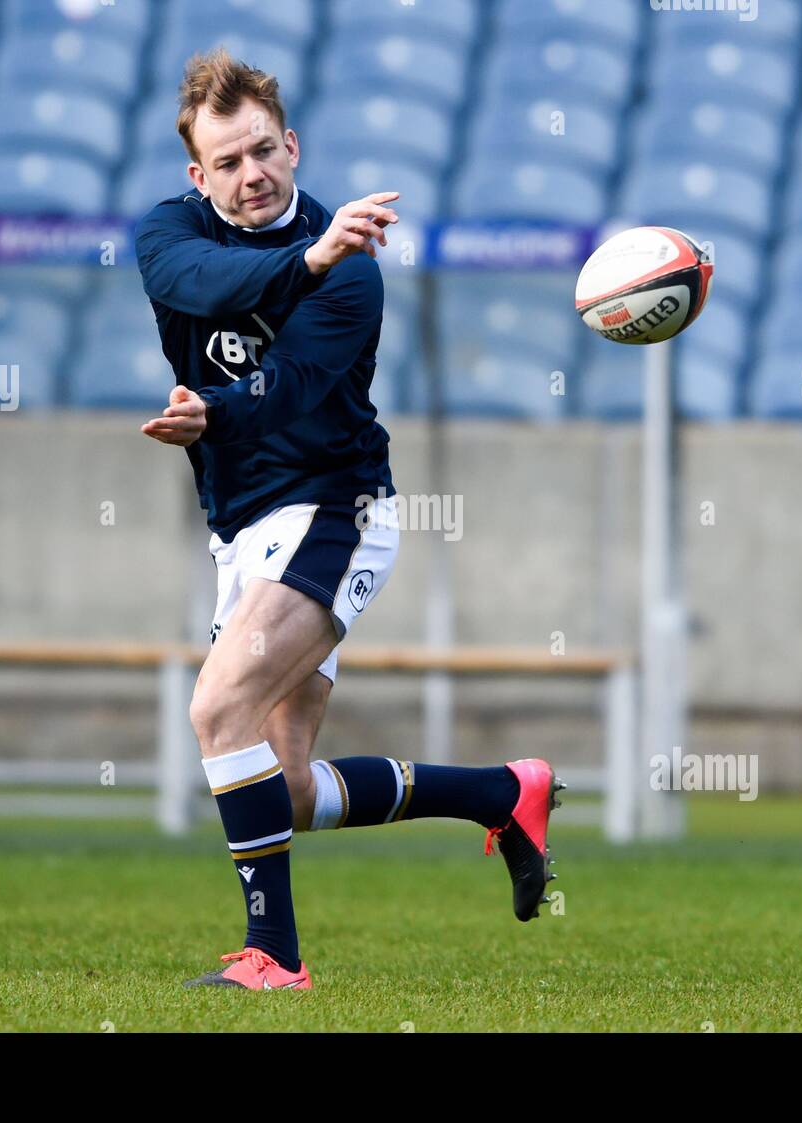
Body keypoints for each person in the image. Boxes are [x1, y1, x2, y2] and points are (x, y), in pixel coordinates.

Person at [134, 48, 562, 991]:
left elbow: (281, 394)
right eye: (228, 163)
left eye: (263, 153)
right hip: (240, 524)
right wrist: (305, 259)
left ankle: (274, 958)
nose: (251, 177)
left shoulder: (353, 273)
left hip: (335, 507)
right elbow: (202, 286)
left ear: (292, 145)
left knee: (217, 707)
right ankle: (504, 792)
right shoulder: (168, 231)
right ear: (197, 176)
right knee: (280, 787)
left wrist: (220, 402)